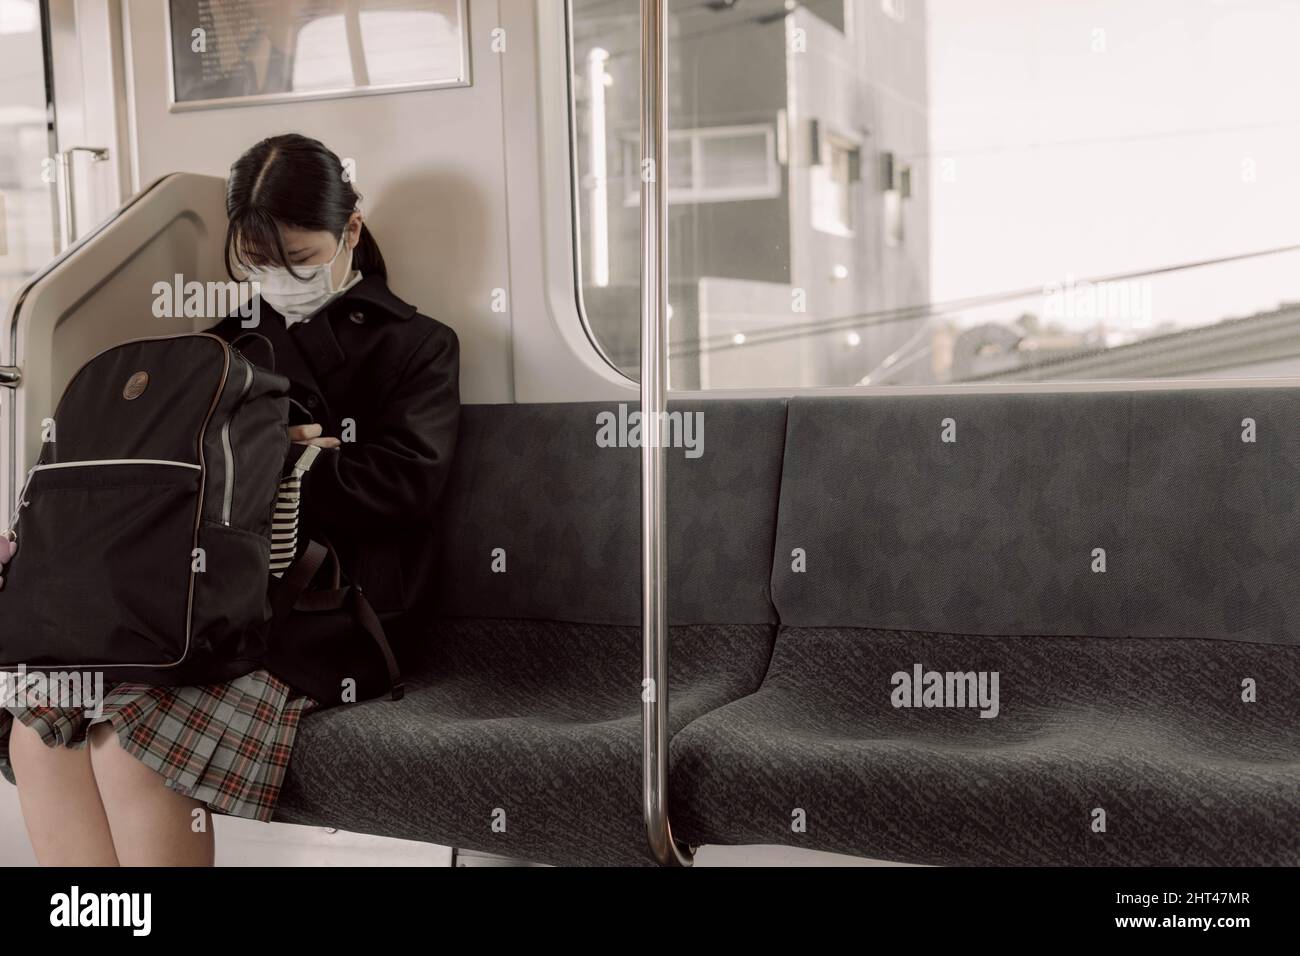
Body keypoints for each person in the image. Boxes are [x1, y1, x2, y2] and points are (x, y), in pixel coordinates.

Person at [0, 133, 460, 866]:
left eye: (302, 260)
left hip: (334, 608)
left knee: (128, 742)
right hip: (208, 595)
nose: (279, 278)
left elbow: (404, 487)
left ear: (351, 231)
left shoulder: (418, 346)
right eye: (258, 262)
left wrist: (283, 464)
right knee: (39, 727)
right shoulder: (222, 347)